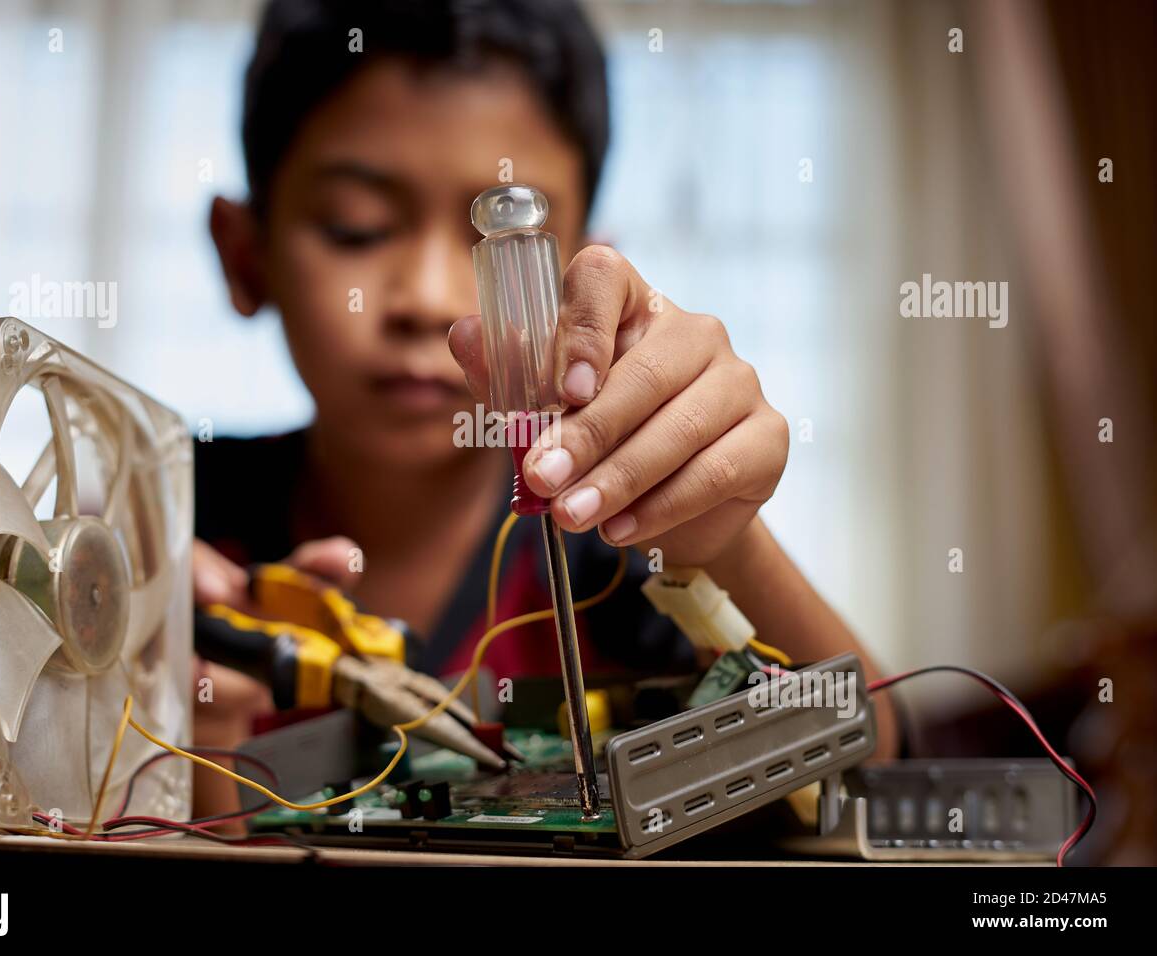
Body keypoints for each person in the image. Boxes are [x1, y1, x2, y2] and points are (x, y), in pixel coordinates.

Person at [191, 0, 899, 816]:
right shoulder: (159, 526)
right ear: (245, 255)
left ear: (579, 278)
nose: (427, 298)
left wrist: (730, 546)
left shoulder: (623, 552)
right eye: (359, 227)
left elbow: (874, 761)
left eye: (494, 244)